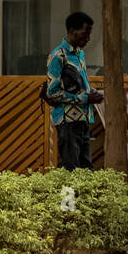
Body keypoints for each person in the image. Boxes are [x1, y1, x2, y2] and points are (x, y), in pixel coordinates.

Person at [46, 11, 103, 170]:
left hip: (83, 119)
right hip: (67, 122)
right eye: (85, 33)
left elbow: (82, 87)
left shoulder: (80, 55)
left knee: (86, 170)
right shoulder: (58, 56)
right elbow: (52, 93)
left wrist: (94, 93)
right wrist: (85, 98)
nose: (88, 38)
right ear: (72, 31)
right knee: (71, 170)